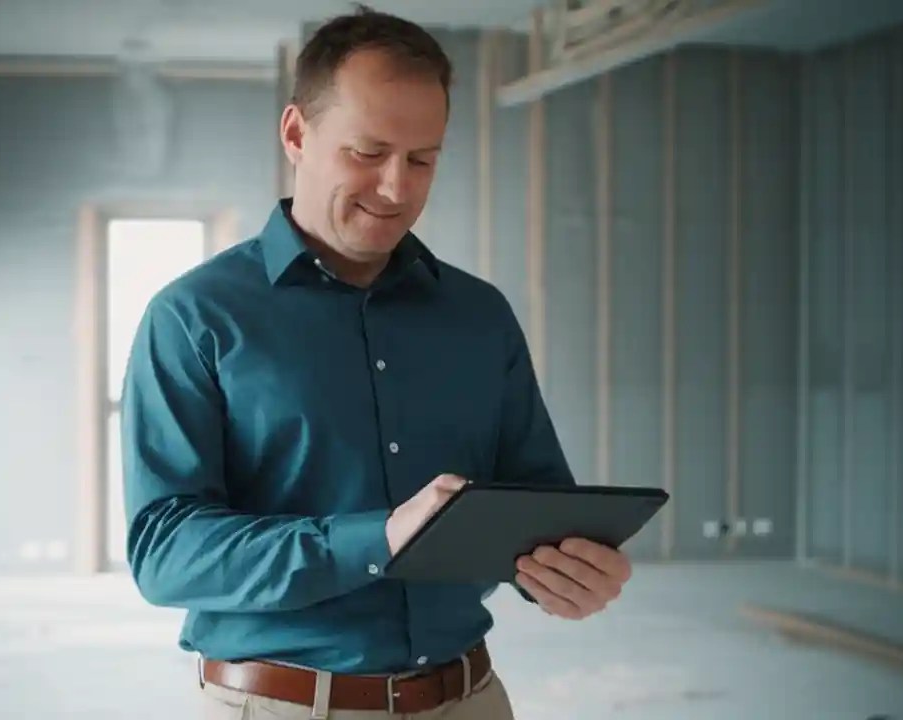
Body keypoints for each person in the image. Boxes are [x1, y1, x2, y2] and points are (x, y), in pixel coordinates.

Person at [120, 6, 634, 719]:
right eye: (368, 153)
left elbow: (533, 500)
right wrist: (378, 536)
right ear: (297, 134)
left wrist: (567, 570)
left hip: (472, 700)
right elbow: (167, 551)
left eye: (423, 159)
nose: (397, 188)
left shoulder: (480, 315)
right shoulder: (194, 318)